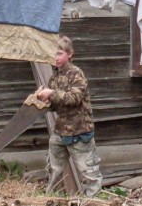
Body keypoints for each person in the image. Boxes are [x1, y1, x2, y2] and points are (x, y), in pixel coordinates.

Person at [35, 35, 101, 197]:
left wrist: (52, 93)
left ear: (70, 54)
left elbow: (74, 98)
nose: (55, 58)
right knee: (53, 169)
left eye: (59, 53)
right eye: (52, 54)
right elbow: (57, 104)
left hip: (79, 132)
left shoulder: (76, 74)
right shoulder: (54, 77)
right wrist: (41, 101)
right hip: (61, 131)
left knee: (89, 173)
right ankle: (49, 202)